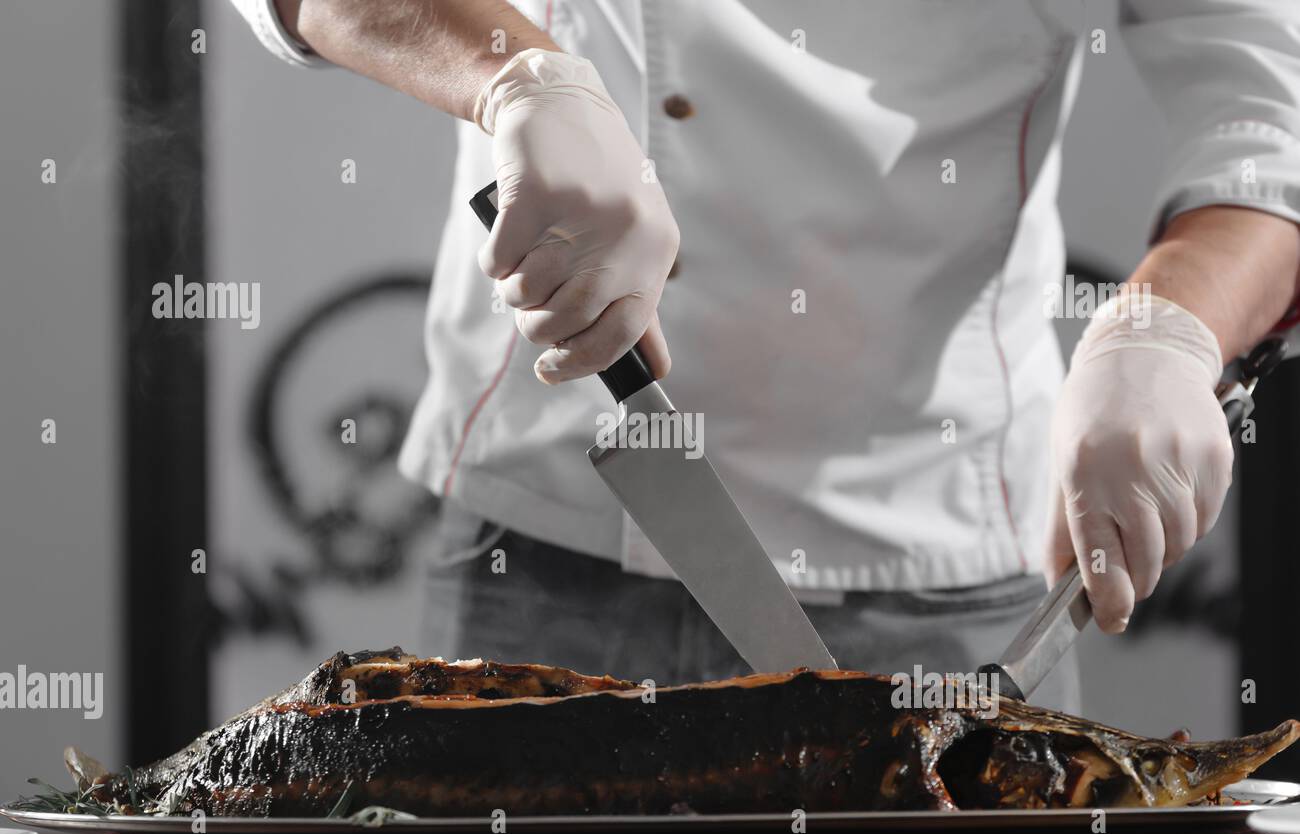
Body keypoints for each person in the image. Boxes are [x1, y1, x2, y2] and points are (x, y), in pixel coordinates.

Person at [228, 0, 1300, 712]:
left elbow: (1270, 117)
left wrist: (1167, 329)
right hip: (543, 545)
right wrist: (521, 79)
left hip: (942, 582)